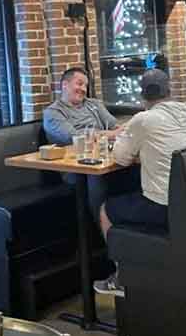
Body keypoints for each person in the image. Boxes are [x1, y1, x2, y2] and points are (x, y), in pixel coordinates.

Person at [43, 67, 133, 293]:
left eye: (85, 84)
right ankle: (118, 263)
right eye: (78, 84)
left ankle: (135, 258)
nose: (83, 89)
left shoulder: (94, 105)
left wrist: (103, 135)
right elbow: (75, 139)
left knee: (133, 178)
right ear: (64, 85)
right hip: (75, 172)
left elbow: (117, 128)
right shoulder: (54, 113)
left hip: (103, 163)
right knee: (98, 187)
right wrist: (105, 135)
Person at [100, 68, 186, 239]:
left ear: (143, 94)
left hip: (163, 205)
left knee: (106, 209)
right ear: (169, 91)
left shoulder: (144, 119)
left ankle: (118, 263)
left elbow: (121, 158)